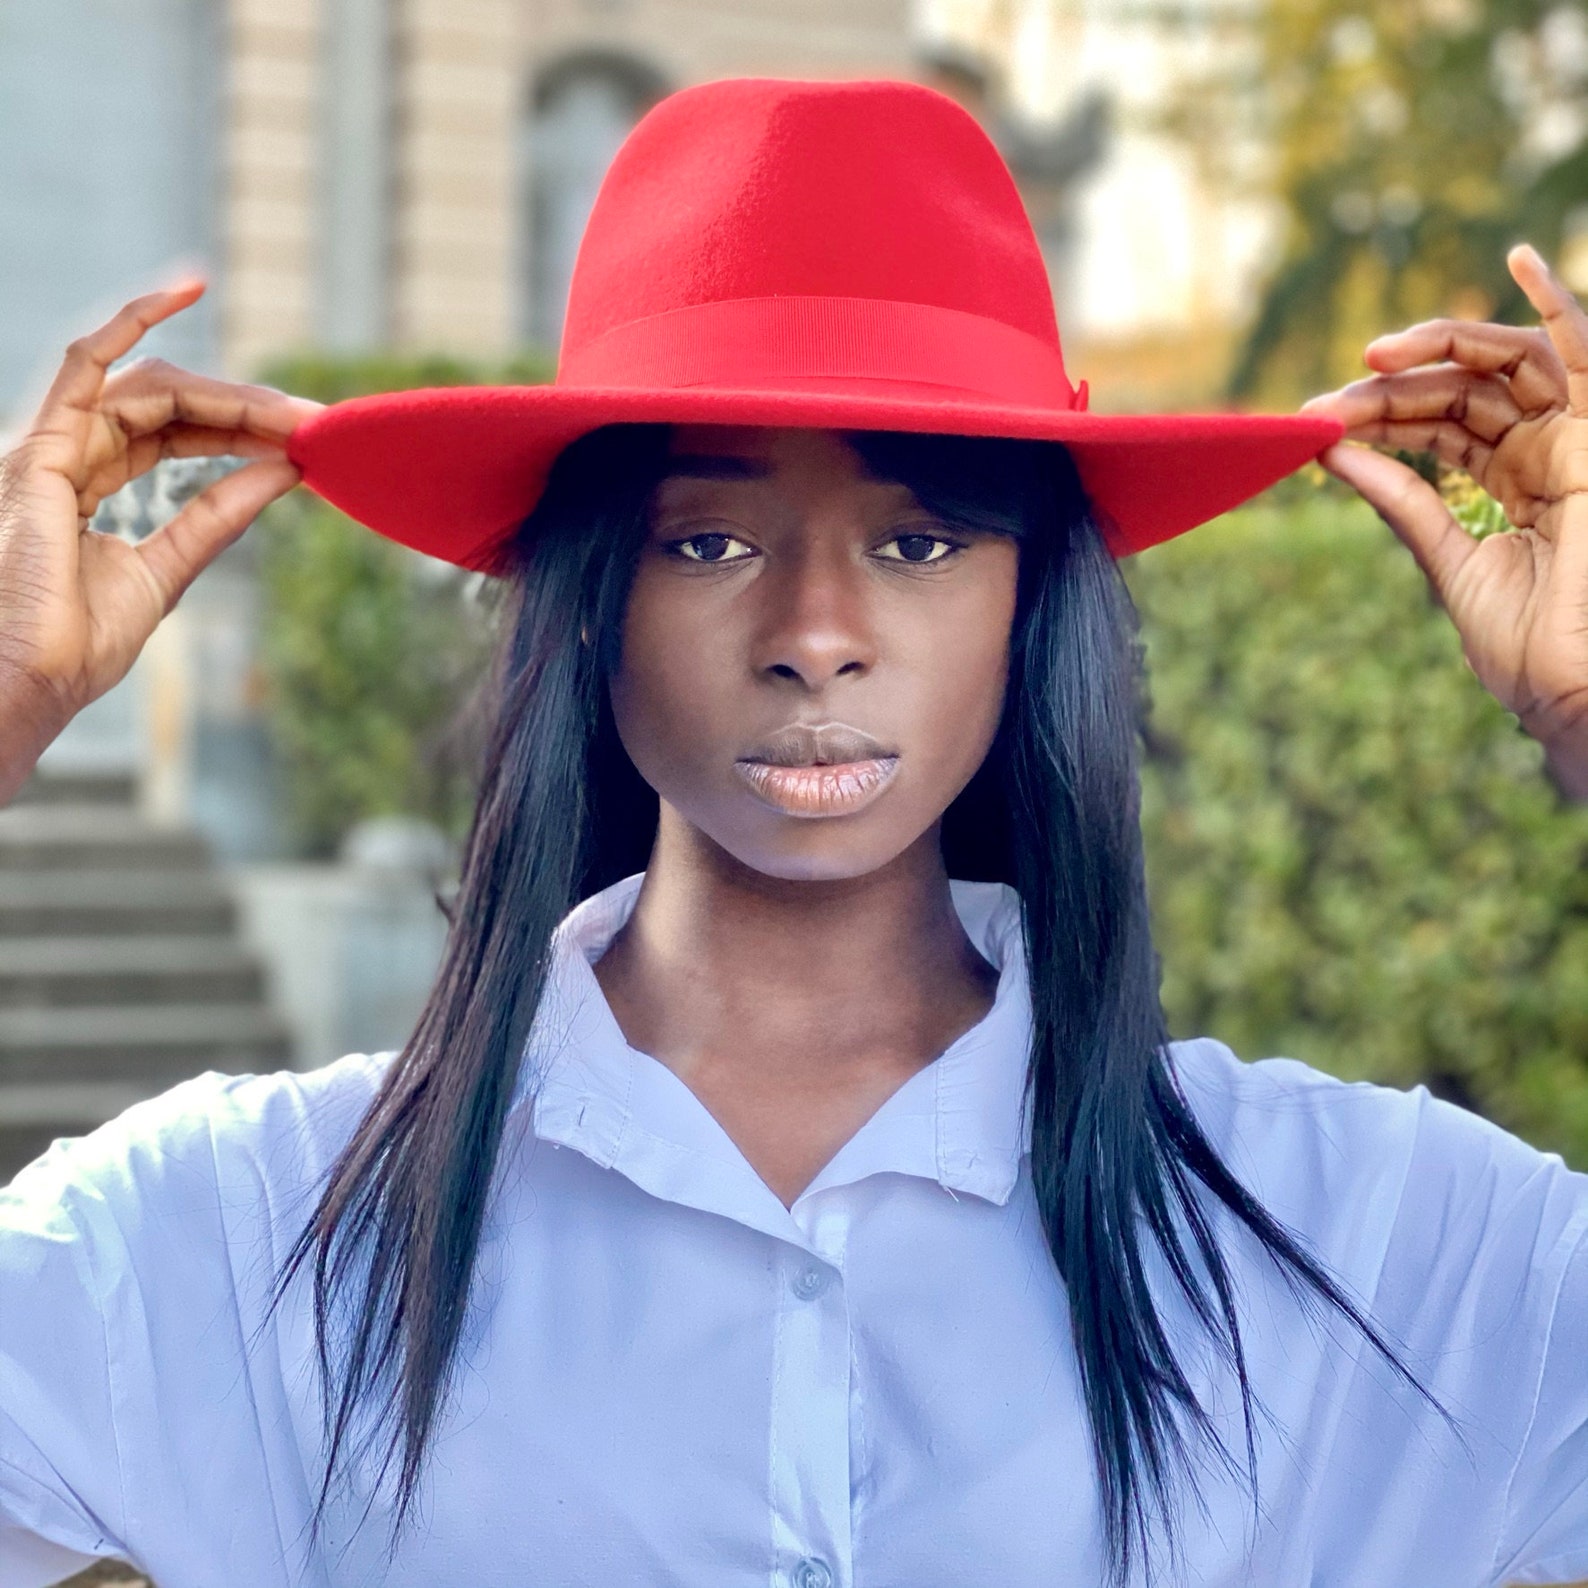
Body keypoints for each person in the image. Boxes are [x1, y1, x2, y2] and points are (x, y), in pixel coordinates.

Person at [0, 75, 1583, 1588]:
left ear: (1032, 603)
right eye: (706, 537)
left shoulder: (1362, 1237)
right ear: (590, 602)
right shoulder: (241, 1236)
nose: (815, 631)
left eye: (918, 537)